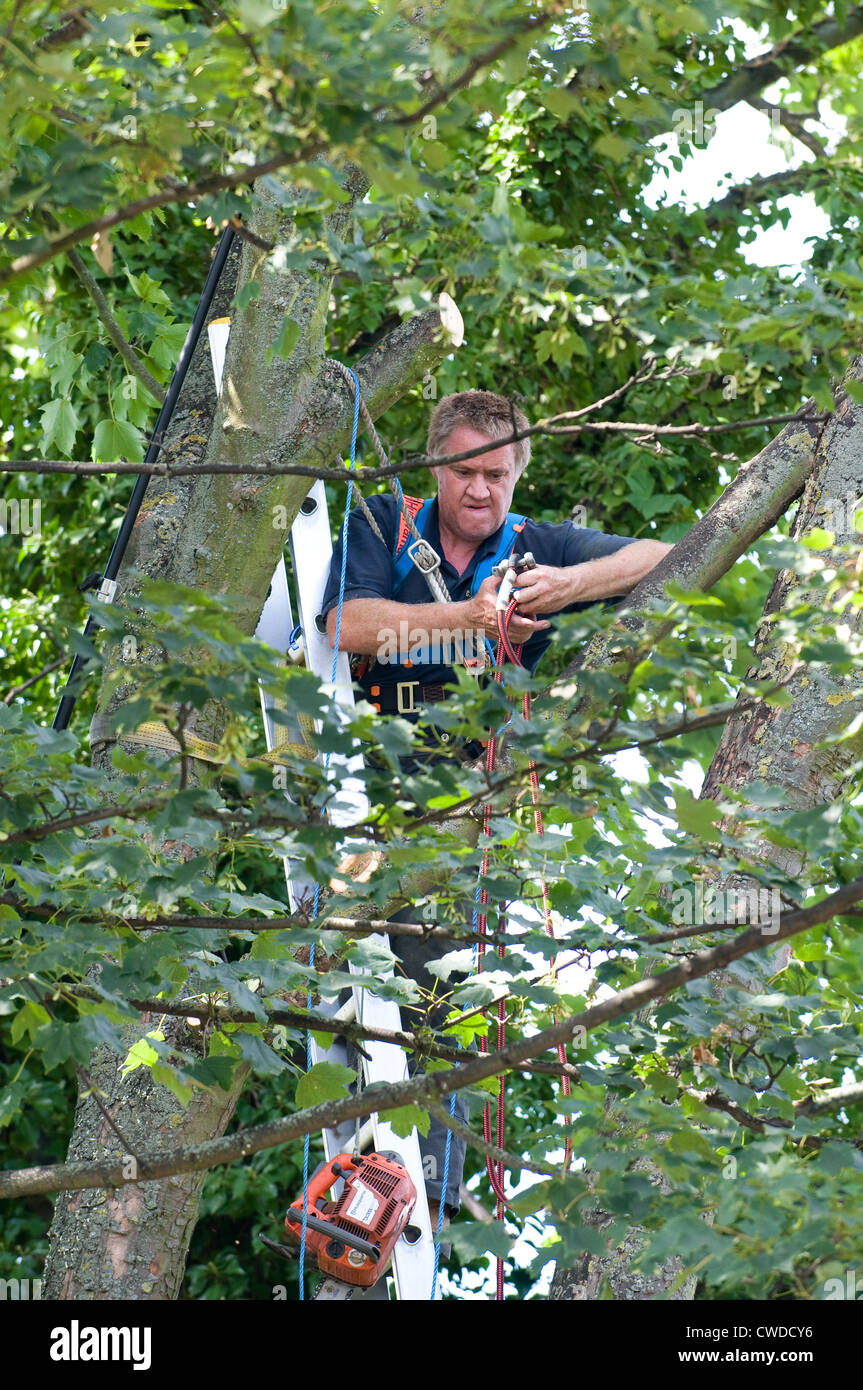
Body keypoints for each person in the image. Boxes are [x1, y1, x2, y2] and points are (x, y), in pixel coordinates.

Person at [320, 390, 671, 1231]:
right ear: (436, 465)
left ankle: (424, 1184)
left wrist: (568, 585)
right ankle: (351, 1159)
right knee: (345, 976)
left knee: (448, 979)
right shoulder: (381, 526)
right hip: (366, 764)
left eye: (500, 474)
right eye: (467, 471)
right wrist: (463, 622)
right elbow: (346, 624)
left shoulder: (531, 545)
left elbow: (670, 551)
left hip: (469, 790)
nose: (483, 490)